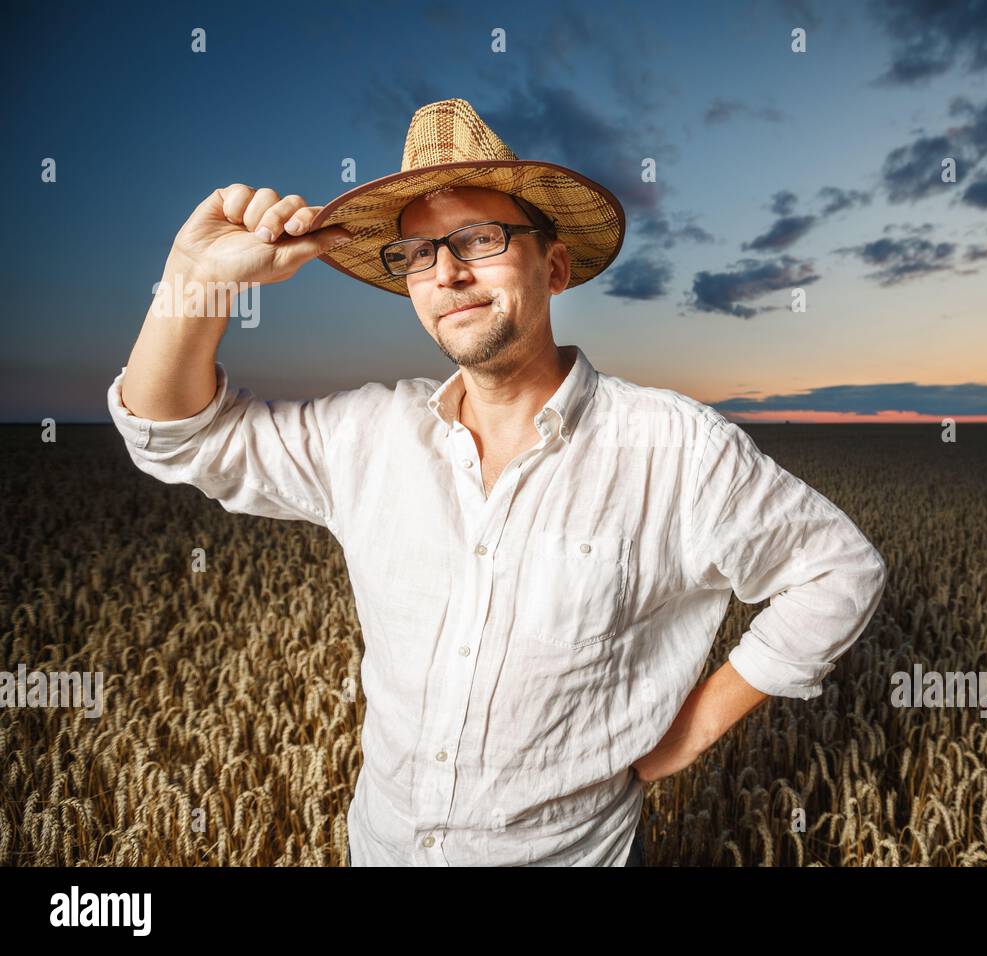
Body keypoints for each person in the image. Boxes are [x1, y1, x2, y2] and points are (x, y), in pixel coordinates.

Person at [108, 99, 887, 867]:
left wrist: (691, 732)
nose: (446, 272)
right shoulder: (367, 436)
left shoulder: (671, 446)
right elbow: (175, 435)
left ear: (553, 266)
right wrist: (195, 280)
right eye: (416, 253)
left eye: (479, 238)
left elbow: (836, 570)